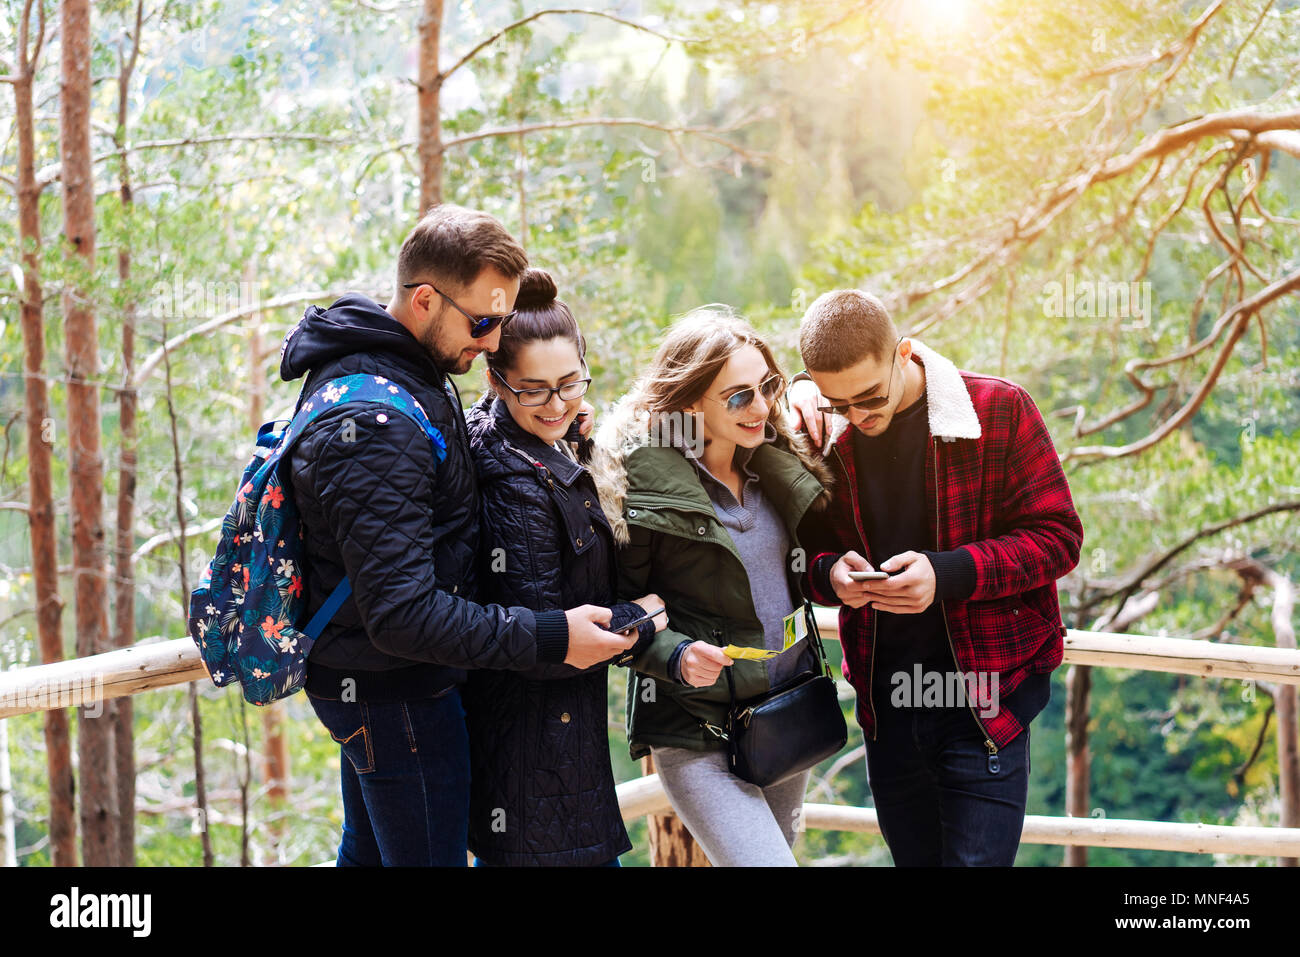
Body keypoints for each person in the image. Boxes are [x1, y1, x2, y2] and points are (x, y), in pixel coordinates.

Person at [280, 204, 637, 866]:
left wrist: (552, 425)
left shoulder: (391, 364)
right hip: (396, 691)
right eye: (482, 323)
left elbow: (443, 460)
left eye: (500, 322)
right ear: (424, 299)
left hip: (365, 675)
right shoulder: (376, 426)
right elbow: (403, 613)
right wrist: (553, 634)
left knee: (364, 853)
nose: (496, 341)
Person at [786, 288, 1083, 866]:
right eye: (838, 404)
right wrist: (830, 578)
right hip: (886, 712)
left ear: (904, 355)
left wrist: (945, 575)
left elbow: (1058, 539)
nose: (858, 417)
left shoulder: (999, 409)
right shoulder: (822, 432)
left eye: (869, 398)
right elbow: (800, 559)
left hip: (986, 708)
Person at [589, 305, 834, 867]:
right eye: (738, 395)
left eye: (766, 387)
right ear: (692, 400)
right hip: (697, 731)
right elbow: (614, 612)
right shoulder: (639, 489)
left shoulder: (778, 462)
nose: (760, 406)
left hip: (786, 715)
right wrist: (675, 655)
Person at [462, 267, 666, 866]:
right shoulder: (512, 481)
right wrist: (649, 616)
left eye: (570, 383)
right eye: (534, 389)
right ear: (497, 380)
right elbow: (552, 641)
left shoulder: (525, 443)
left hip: (552, 758)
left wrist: (571, 442)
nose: (556, 404)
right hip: (536, 765)